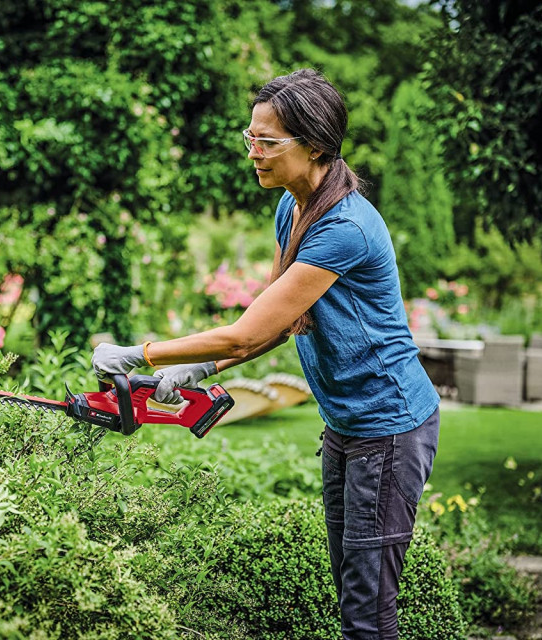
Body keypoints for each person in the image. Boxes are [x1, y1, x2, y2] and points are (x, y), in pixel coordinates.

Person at [91, 68, 440, 639]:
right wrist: (200, 366)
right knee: (351, 586)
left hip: (390, 427)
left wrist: (140, 354)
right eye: (249, 137)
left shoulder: (346, 226)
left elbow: (246, 333)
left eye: (268, 142)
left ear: (317, 145)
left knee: (367, 608)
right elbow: (279, 319)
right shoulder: (292, 207)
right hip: (346, 425)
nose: (253, 152)